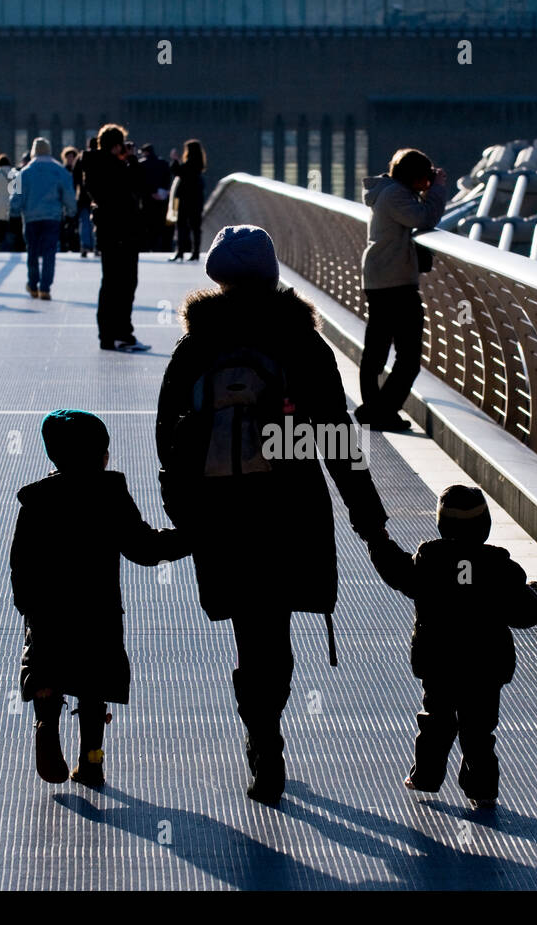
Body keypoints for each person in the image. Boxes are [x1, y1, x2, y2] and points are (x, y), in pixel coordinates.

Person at [156, 224, 388, 806]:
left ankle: (262, 740)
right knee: (275, 629)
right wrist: (373, 526)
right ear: (273, 274)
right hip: (289, 505)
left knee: (250, 630)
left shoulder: (196, 347)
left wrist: (185, 511)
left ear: (217, 279)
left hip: (222, 510)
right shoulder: (303, 344)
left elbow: (168, 440)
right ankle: (269, 729)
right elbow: (337, 439)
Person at [11, 410, 190, 787]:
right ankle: (91, 761)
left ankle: (46, 718)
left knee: (47, 668)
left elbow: (20, 563)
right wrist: (191, 539)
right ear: (100, 455)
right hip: (98, 608)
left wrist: (28, 606)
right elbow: (143, 547)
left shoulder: (36, 500)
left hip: (47, 611)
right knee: (94, 682)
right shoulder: (109, 494)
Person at [367, 485, 537, 808]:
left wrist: (377, 539)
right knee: (479, 730)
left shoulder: (428, 562)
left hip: (439, 664)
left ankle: (425, 775)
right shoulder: (499, 569)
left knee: (436, 721)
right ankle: (482, 789)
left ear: (442, 524)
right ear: (485, 527)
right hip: (484, 669)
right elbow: (526, 610)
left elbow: (395, 569)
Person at [357, 148, 449, 432]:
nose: (429, 181)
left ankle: (374, 409)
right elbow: (424, 219)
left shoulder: (389, 192)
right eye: (426, 177)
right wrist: (437, 191)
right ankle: (380, 410)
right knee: (408, 357)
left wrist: (426, 190)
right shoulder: (396, 196)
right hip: (394, 283)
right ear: (416, 176)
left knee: (377, 350)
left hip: (382, 279)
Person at [81, 124, 150, 352]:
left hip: (106, 232)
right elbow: (139, 185)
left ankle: (107, 336)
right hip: (124, 231)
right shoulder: (115, 166)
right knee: (126, 283)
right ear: (118, 144)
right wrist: (129, 160)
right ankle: (124, 333)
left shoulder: (92, 164)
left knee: (109, 284)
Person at [9, 137, 76, 300]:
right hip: (52, 217)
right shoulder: (60, 171)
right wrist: (71, 212)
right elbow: (69, 194)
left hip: (31, 218)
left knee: (32, 251)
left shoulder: (22, 172)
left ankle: (33, 284)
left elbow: (15, 196)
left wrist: (14, 212)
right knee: (49, 252)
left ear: (33, 152)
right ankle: (45, 287)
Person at [169, 139, 206, 262]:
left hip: (185, 200)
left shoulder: (190, 163)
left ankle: (180, 251)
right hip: (196, 200)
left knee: (181, 225)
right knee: (195, 227)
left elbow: (178, 172)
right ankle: (195, 252)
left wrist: (174, 159)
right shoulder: (199, 165)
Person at [138, 143, 172, 252]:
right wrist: (163, 190)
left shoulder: (142, 164)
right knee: (160, 223)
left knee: (147, 223)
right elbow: (167, 179)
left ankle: (147, 246)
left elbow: (142, 181)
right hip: (162, 198)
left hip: (147, 199)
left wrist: (151, 192)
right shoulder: (163, 163)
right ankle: (159, 246)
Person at [60, 146, 81, 254]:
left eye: (72, 157)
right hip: (65, 201)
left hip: (75, 199)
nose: (70, 159)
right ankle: (65, 245)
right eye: (68, 157)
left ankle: (74, 245)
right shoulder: (62, 171)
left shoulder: (77, 170)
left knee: (74, 224)